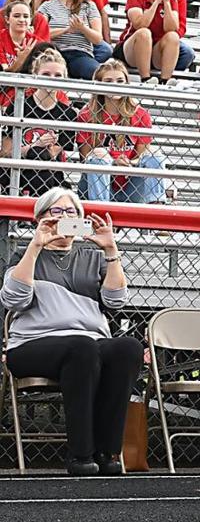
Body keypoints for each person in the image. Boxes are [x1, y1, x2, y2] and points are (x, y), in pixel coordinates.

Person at [1, 189, 141, 476]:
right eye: (56, 212)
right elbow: (14, 300)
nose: (64, 218)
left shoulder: (93, 256)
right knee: (81, 347)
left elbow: (116, 302)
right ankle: (81, 454)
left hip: (88, 344)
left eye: (71, 213)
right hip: (33, 344)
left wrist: (111, 250)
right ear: (40, 218)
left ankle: (108, 452)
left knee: (127, 347)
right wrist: (36, 246)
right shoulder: (23, 255)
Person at [75, 59, 165, 204]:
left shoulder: (140, 114)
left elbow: (143, 157)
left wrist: (129, 164)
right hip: (96, 186)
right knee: (99, 154)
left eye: (120, 81)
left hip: (131, 185)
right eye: (108, 81)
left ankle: (156, 208)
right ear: (99, 84)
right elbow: (85, 159)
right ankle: (101, 210)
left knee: (154, 155)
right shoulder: (86, 115)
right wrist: (112, 163)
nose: (115, 86)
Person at [121, 0, 193, 83]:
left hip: (158, 46)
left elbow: (174, 28)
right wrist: (156, 2)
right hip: (133, 45)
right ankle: (146, 79)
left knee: (174, 38)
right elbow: (140, 25)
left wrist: (165, 3)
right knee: (144, 33)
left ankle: (165, 81)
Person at [19, 49, 78, 196]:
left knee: (42, 158)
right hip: (19, 170)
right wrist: (34, 146)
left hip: (50, 173)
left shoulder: (68, 113)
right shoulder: (19, 106)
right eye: (46, 74)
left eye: (58, 75)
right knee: (38, 152)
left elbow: (52, 154)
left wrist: (37, 148)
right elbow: (7, 152)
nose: (52, 79)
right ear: (35, 75)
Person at [37, 0, 106, 80]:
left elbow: (98, 39)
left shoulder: (89, 6)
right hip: (52, 54)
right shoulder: (46, 6)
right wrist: (66, 30)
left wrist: (82, 28)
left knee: (98, 74)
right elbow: (40, 35)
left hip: (79, 54)